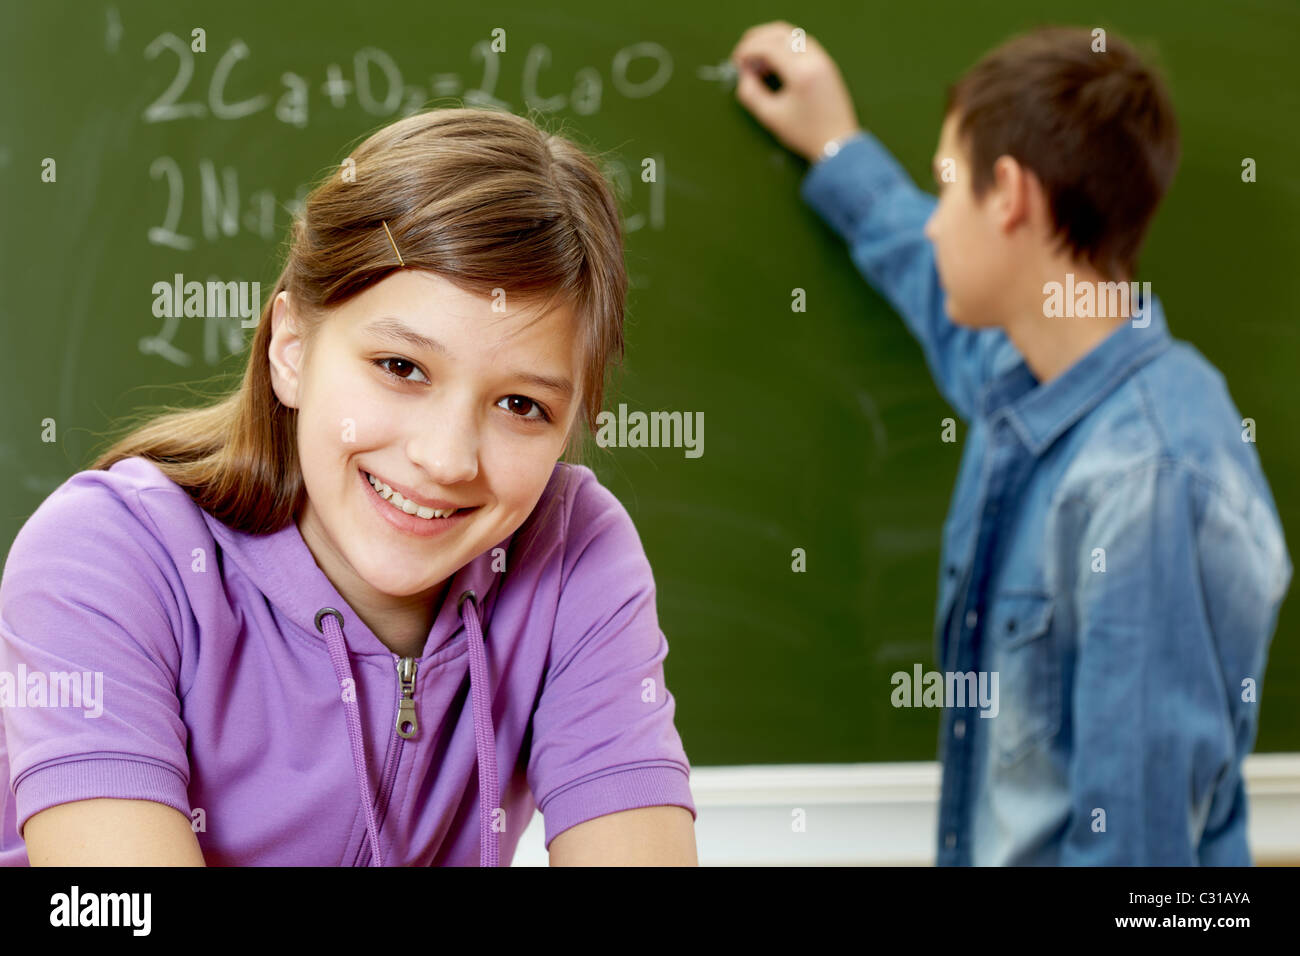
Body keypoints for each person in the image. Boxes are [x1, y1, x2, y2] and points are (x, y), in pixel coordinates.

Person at [0, 107, 698, 866]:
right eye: (401, 368)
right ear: (292, 347)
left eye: (521, 406)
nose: (446, 459)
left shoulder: (574, 553)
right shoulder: (102, 556)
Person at [731, 22, 1291, 864]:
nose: (933, 225)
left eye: (948, 188)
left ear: (1010, 196)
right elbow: (920, 262)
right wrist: (835, 144)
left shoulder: (1149, 482)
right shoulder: (1034, 374)